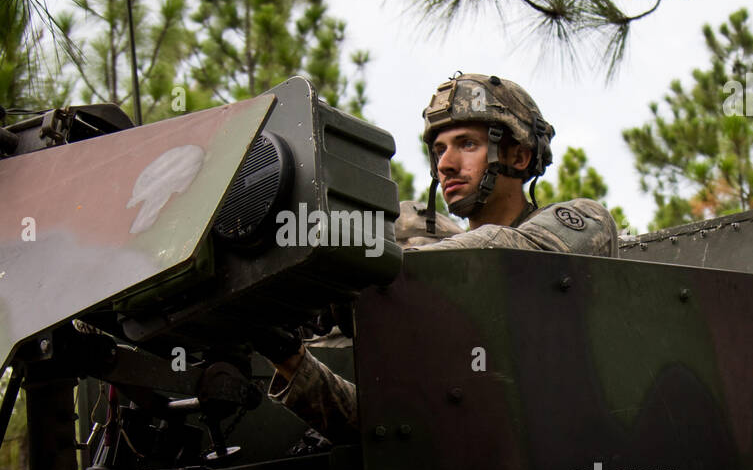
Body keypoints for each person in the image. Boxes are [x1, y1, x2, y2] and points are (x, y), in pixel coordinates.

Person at [261, 73, 619, 442]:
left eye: (466, 144)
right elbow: (384, 428)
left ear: (519, 155)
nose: (445, 165)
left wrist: (359, 280)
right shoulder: (424, 301)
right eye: (439, 150)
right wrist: (288, 356)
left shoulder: (583, 223)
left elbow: (500, 250)